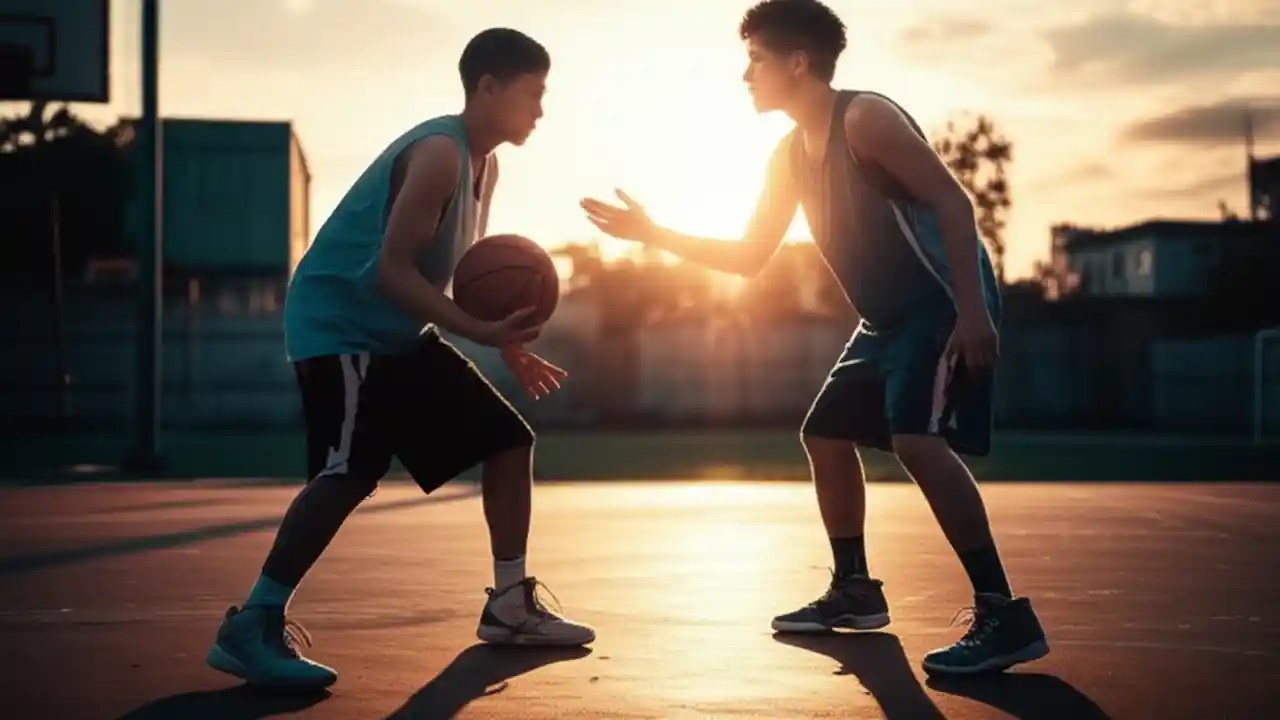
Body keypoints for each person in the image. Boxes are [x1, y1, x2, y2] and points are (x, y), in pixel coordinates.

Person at [581, 0, 1047, 676]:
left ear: (797, 62)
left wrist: (975, 313)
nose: (746, 75)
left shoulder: (866, 118)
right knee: (824, 435)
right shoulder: (787, 156)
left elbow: (953, 201)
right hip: (884, 321)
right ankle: (854, 590)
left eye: (756, 61)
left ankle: (1003, 613)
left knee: (917, 439)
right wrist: (651, 233)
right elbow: (749, 257)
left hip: (940, 304)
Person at [207, 27, 595, 691]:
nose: (539, 110)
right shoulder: (441, 153)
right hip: (341, 324)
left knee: (508, 440)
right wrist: (476, 327)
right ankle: (253, 623)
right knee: (349, 471)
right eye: (533, 93)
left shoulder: (484, 165)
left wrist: (501, 339)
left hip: (395, 331)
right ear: (489, 87)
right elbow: (390, 271)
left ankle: (508, 604)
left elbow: (457, 274)